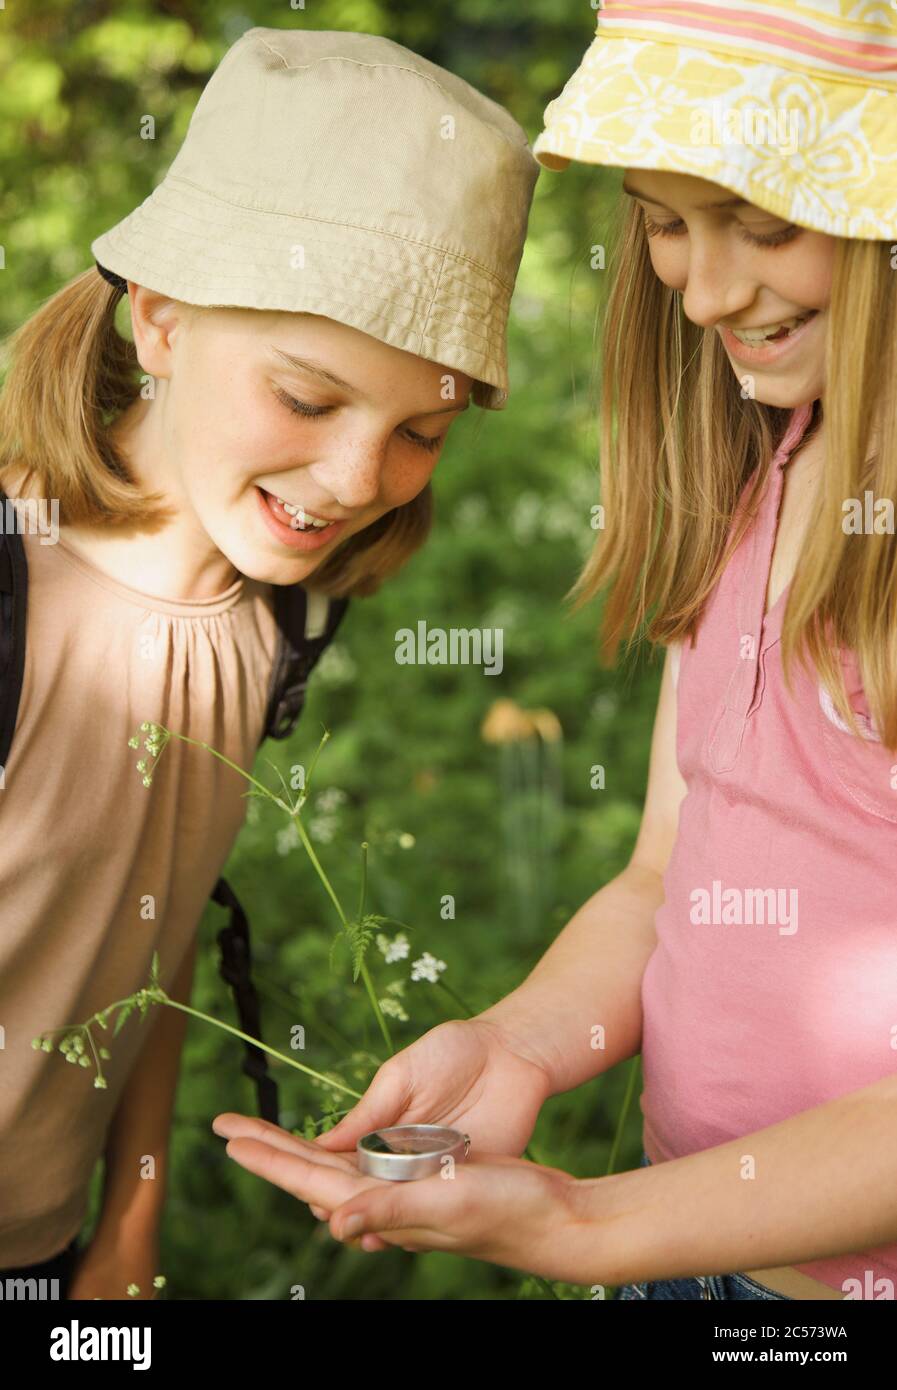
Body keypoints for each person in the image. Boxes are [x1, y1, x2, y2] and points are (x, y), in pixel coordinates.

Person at [213, 2, 897, 1302]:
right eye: (665, 220)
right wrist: (521, 1041)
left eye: (764, 224)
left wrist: (592, 1225)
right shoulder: (768, 473)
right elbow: (661, 877)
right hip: (696, 1256)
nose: (702, 286)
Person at [0, 26, 539, 1299]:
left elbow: (155, 916)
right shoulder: (16, 592)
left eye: (421, 430)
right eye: (306, 398)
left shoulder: (268, 615)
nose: (357, 482)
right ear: (163, 317)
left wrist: (130, 1221)